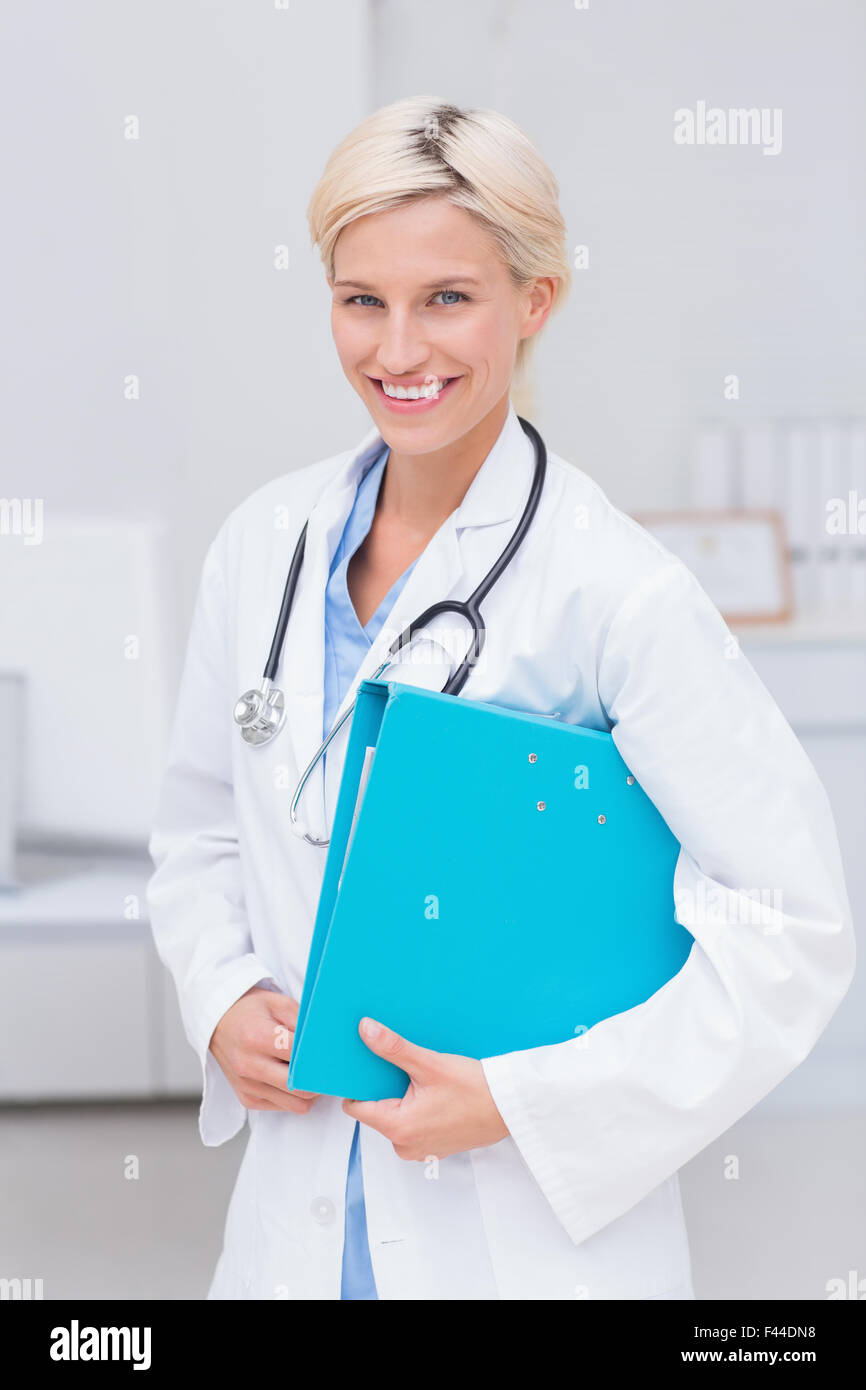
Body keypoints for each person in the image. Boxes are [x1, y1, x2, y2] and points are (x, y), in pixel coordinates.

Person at [146, 95, 855, 1301]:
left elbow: (788, 926)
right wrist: (221, 996)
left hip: (518, 1246)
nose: (396, 350)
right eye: (359, 299)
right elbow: (201, 830)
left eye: (445, 298)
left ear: (535, 301)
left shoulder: (616, 592)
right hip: (296, 1229)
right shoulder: (260, 547)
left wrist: (523, 1102)